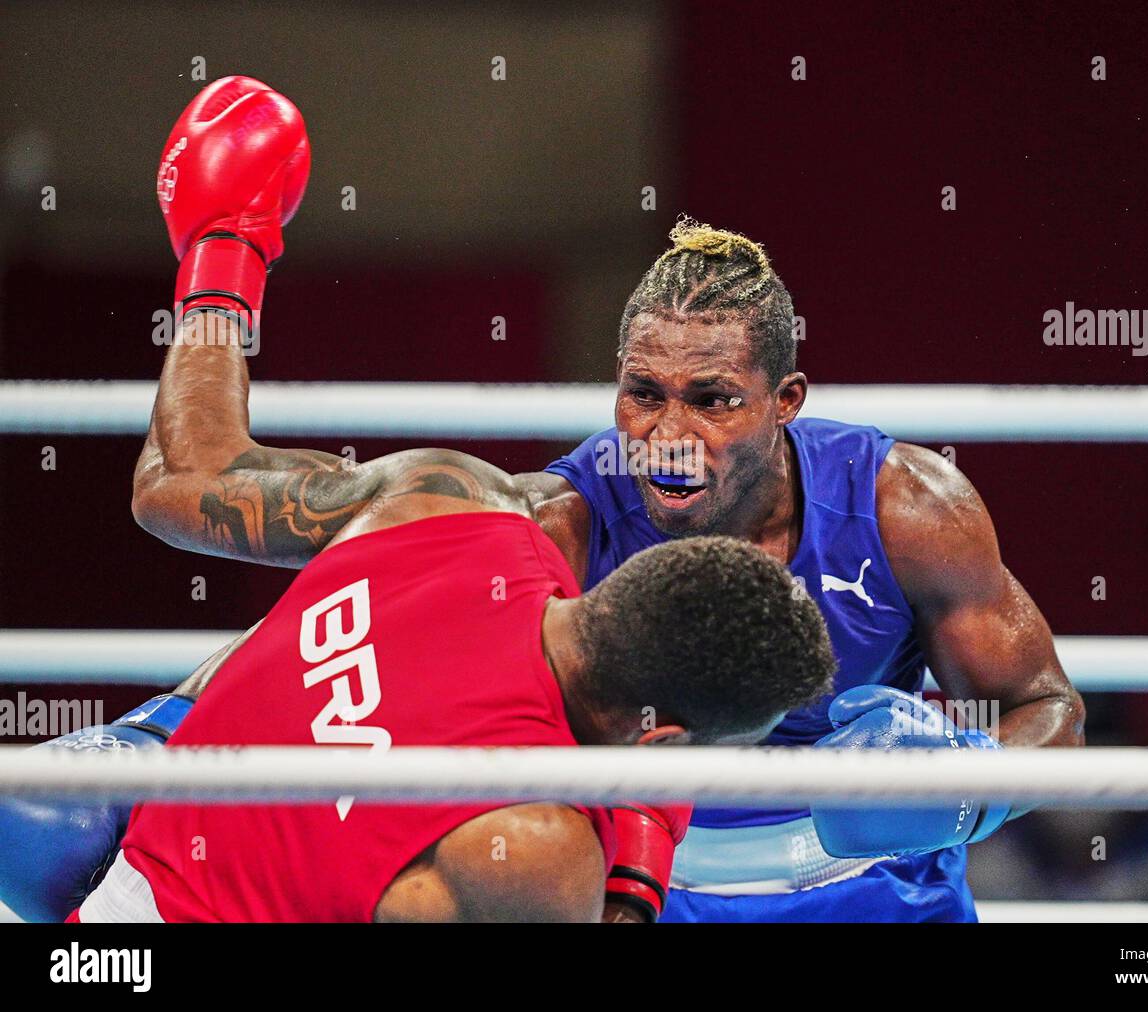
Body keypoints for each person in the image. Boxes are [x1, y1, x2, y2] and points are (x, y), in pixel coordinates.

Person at [12, 74, 1085, 923]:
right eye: (642, 395)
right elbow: (225, 522)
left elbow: (1052, 708)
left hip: (868, 888)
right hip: (631, 879)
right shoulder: (535, 527)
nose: (670, 437)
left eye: (713, 400)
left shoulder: (906, 508)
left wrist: (967, 783)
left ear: (785, 401)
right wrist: (167, 732)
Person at [58, 488, 834, 921]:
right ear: (661, 744)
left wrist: (226, 245)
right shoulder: (536, 843)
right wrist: (632, 889)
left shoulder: (461, 509)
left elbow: (178, 481)